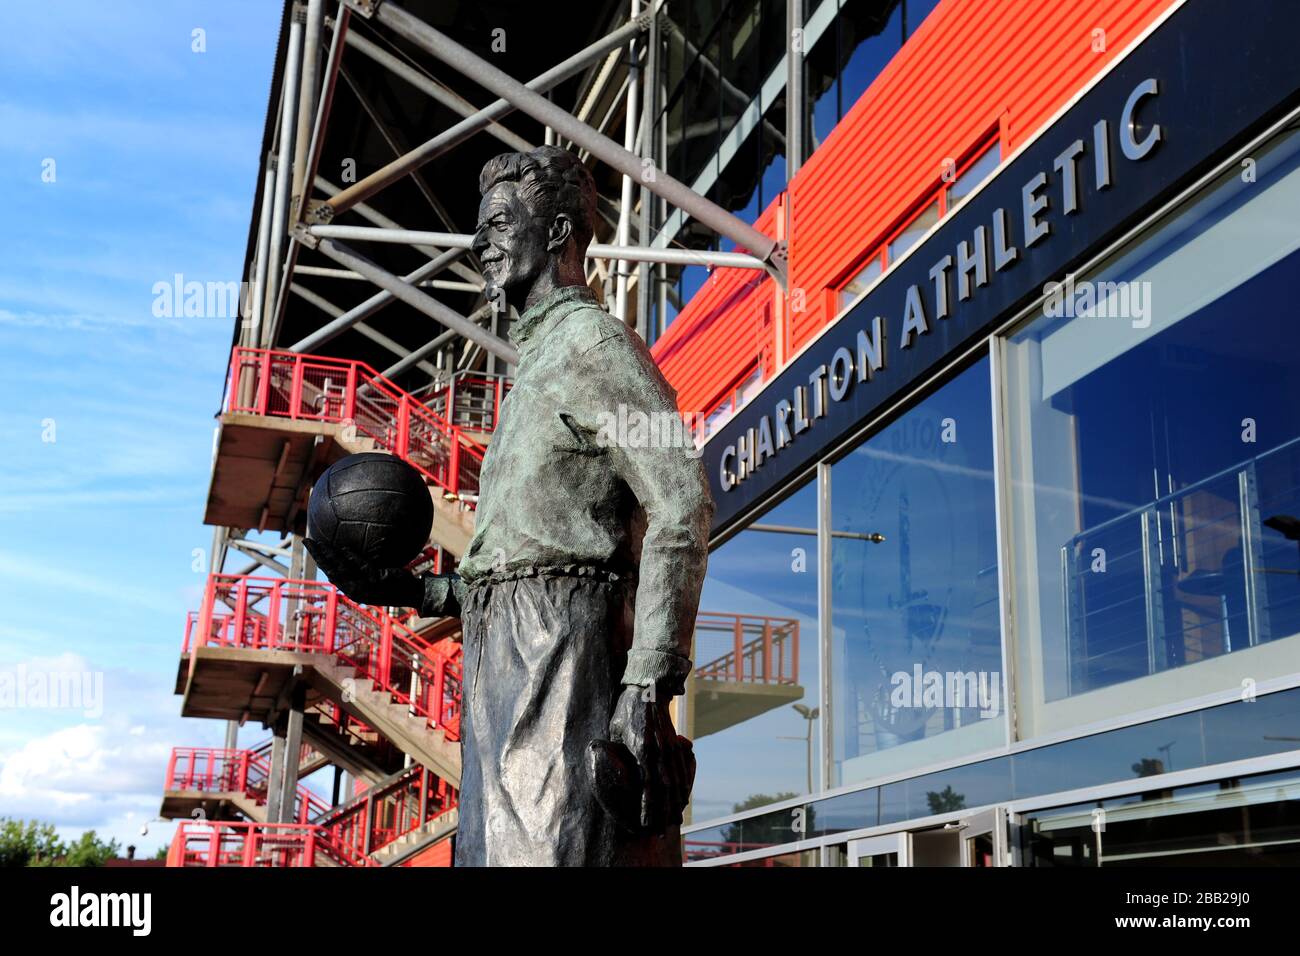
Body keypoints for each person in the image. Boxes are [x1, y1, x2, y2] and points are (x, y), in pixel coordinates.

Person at [306, 145, 713, 866]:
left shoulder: (593, 345)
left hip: (567, 667)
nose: (479, 243)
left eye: (499, 223)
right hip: (508, 672)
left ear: (558, 232)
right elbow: (520, 566)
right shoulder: (535, 370)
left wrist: (649, 681)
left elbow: (682, 504)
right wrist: (413, 589)